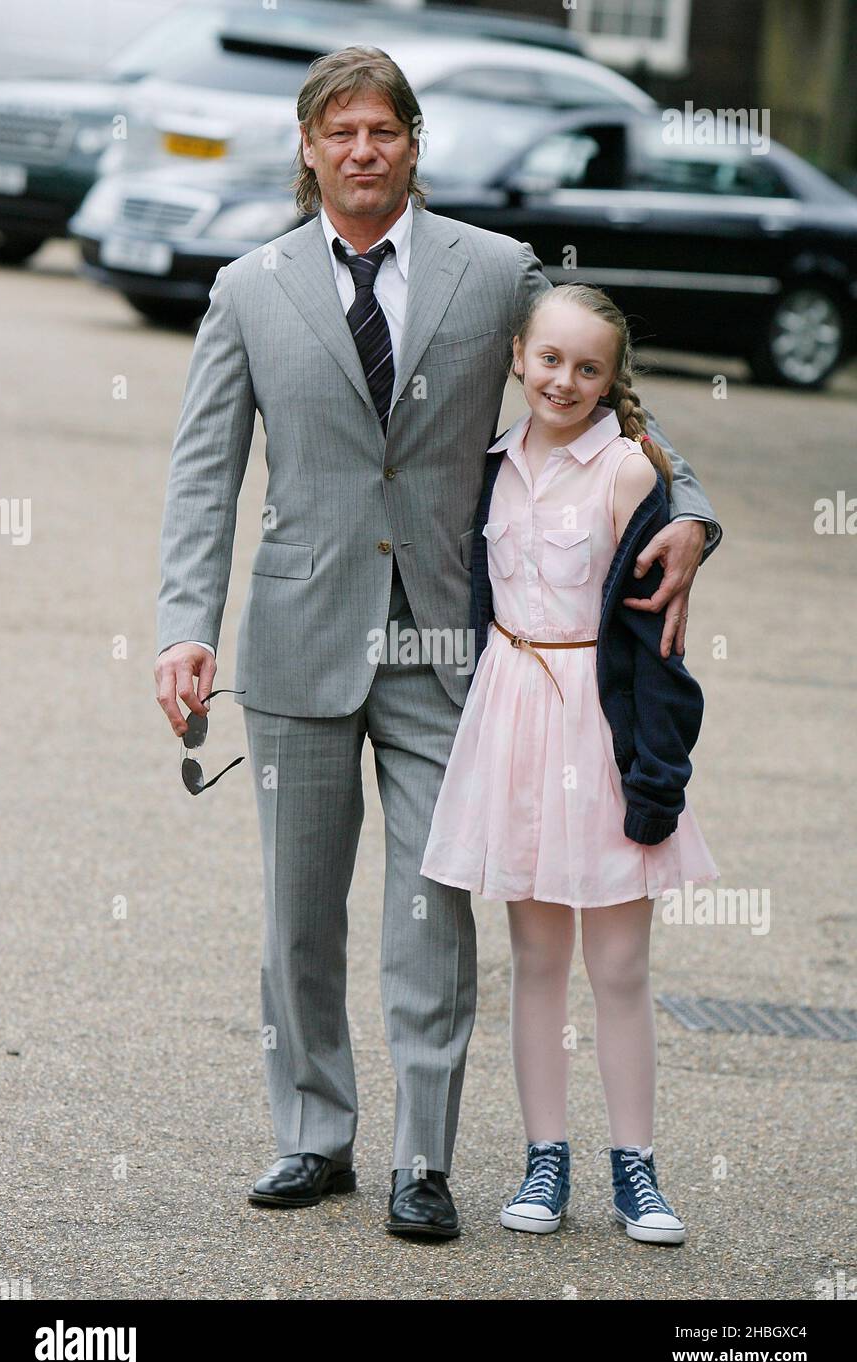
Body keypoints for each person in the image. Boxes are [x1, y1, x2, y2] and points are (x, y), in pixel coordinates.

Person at [153, 45, 722, 1242]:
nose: (363, 150)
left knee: (429, 909)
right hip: (300, 641)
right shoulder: (247, 288)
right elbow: (203, 475)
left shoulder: (495, 272)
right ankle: (313, 1136)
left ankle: (422, 1159)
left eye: (384, 130)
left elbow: (606, 385)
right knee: (297, 915)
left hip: (449, 646)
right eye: (339, 132)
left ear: (414, 143)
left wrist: (690, 512)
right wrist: (182, 631)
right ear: (307, 150)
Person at [420, 283, 720, 1244]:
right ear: (517, 356)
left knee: (621, 962)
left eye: (589, 368)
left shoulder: (633, 472)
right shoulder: (492, 464)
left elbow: (656, 637)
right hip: (511, 714)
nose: (565, 380)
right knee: (537, 958)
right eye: (549, 360)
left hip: (601, 721)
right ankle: (543, 1162)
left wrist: (658, 767)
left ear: (611, 379)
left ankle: (638, 1169)